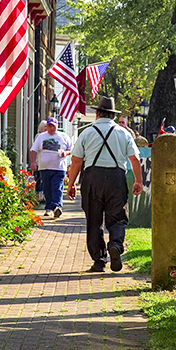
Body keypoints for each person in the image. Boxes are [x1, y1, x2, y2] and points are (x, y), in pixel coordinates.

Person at [67, 96, 143, 272]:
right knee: (117, 216)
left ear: (97, 114)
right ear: (113, 116)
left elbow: (77, 161)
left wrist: (71, 185)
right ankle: (115, 244)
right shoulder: (123, 133)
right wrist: (138, 181)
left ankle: (99, 260)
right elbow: (135, 158)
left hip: (92, 177)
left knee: (93, 220)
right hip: (116, 177)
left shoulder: (86, 132)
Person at [30, 118, 73, 218]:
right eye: (49, 126)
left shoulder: (63, 136)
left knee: (57, 187)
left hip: (59, 168)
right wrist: (33, 162)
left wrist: (65, 153)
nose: (51, 128)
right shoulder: (41, 137)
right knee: (47, 188)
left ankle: (57, 207)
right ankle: (49, 208)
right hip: (44, 168)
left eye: (53, 126)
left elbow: (71, 149)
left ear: (57, 126)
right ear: (46, 127)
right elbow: (34, 150)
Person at [33, 120, 47, 202]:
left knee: (44, 180)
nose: (46, 128)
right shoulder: (39, 136)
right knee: (39, 179)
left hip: (47, 163)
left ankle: (43, 196)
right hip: (40, 161)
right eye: (45, 126)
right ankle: (39, 197)